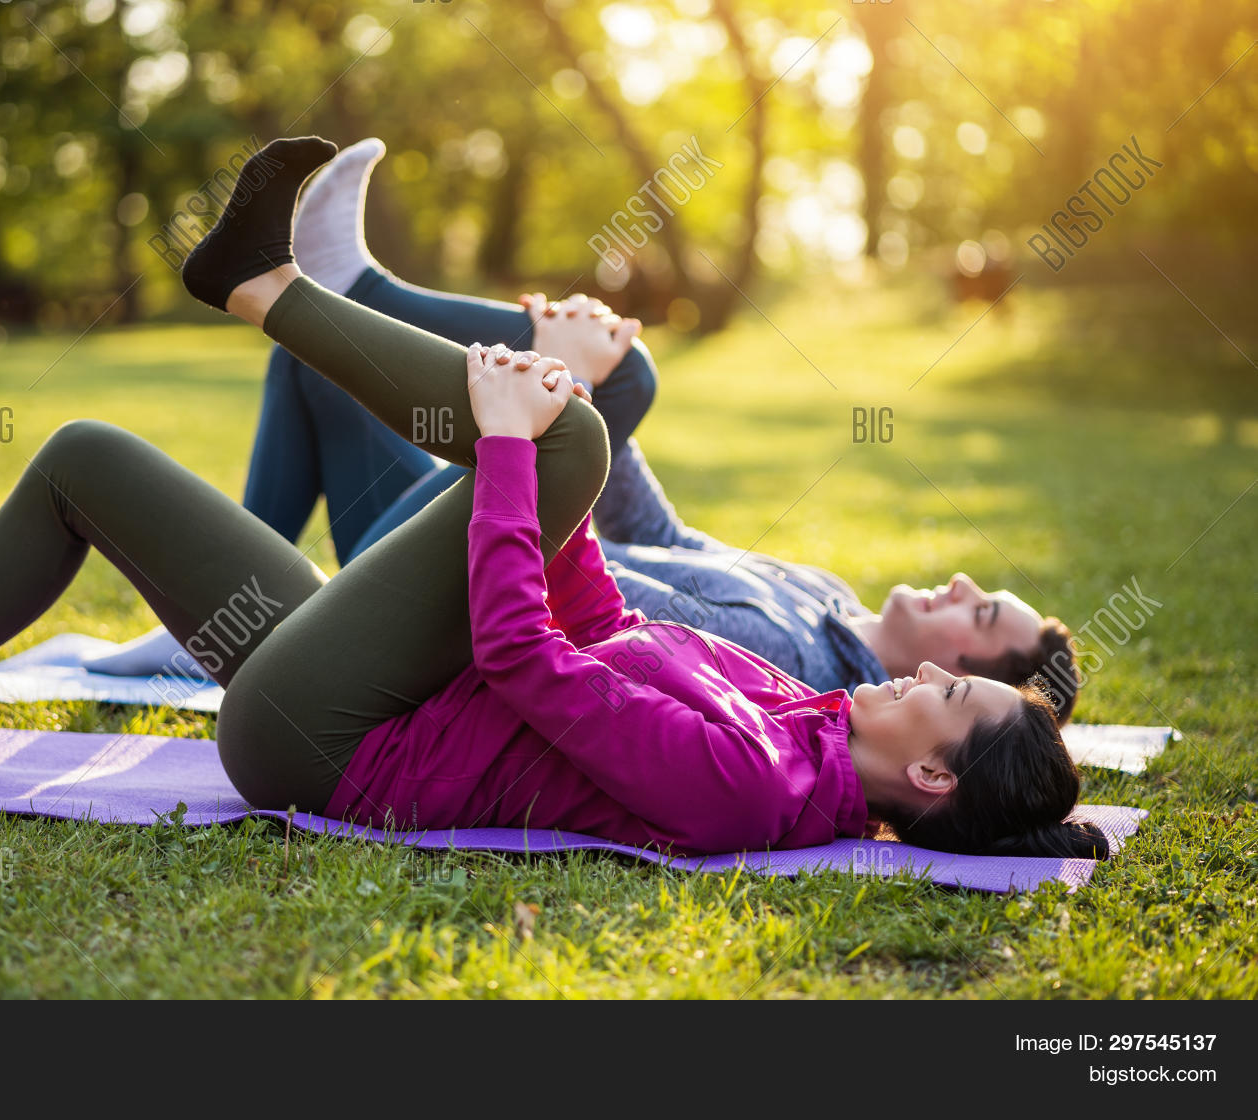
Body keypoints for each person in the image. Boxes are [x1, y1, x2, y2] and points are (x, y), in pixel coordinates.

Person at [0, 136, 1106, 859]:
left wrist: (517, 458)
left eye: (948, 689)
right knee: (85, 458)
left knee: (570, 445)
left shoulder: (749, 786)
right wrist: (537, 488)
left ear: (931, 771)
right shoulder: (802, 725)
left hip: (327, 742)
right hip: (368, 686)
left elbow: (525, 660)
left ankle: (268, 285)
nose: (924, 674)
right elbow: (599, 626)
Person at [88, 139, 1081, 723]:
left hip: (438, 586)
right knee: (315, 356)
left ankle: (353, 283)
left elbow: (582, 601)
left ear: (950, 679)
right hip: (440, 548)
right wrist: (581, 391)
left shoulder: (804, 668)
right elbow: (660, 535)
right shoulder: (825, 599)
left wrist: (574, 387)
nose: (962, 583)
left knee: (629, 374)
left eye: (980, 613)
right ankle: (212, 624)